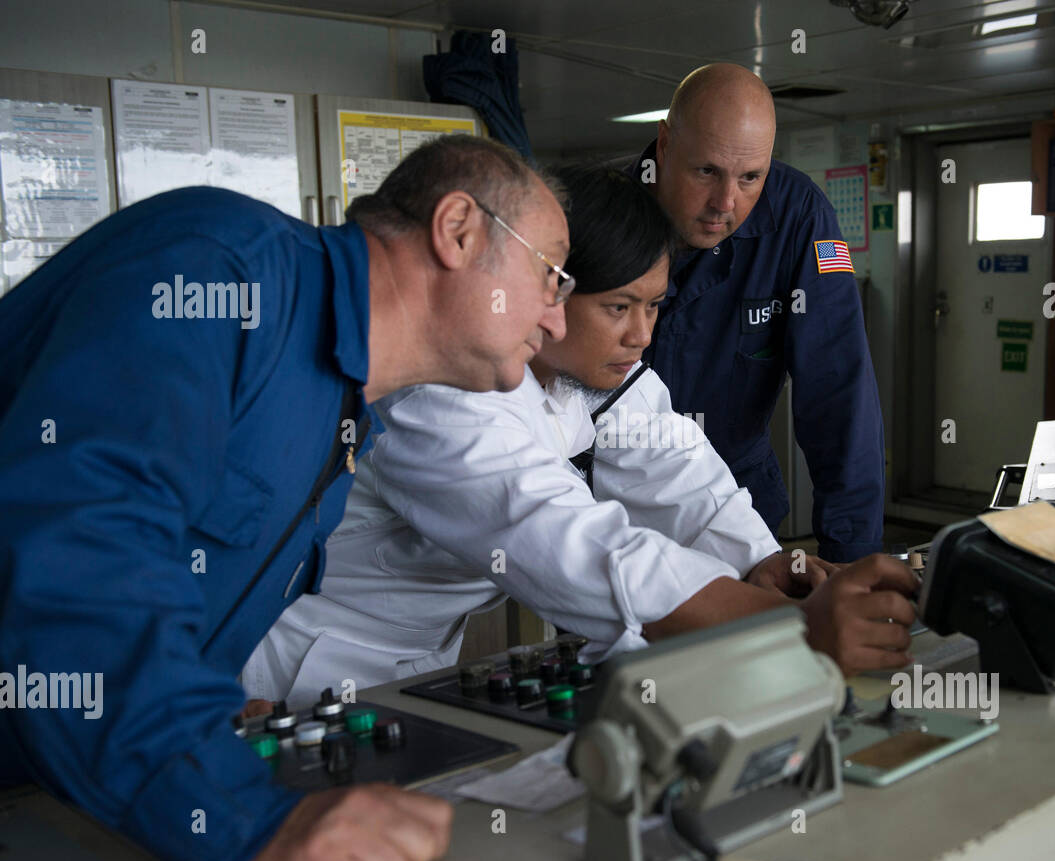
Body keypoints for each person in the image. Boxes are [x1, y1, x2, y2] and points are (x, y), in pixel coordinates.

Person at [0, 134, 569, 861]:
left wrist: (203, 706)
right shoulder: (218, 269)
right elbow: (80, 559)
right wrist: (251, 820)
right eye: (550, 273)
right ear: (458, 229)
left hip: (54, 779)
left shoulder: (347, 407)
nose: (556, 318)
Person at [242, 166, 915, 710]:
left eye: (654, 306)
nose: (641, 334)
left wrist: (764, 567)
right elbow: (577, 546)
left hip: (414, 671)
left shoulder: (593, 375)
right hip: (298, 677)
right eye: (617, 306)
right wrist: (791, 626)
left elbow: (687, 480)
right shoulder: (437, 396)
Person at [631, 63, 886, 562]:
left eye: (751, 177)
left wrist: (853, 559)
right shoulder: (602, 217)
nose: (725, 203)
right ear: (664, 144)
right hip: (620, 517)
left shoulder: (799, 217)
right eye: (706, 171)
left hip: (739, 504)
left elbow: (839, 392)